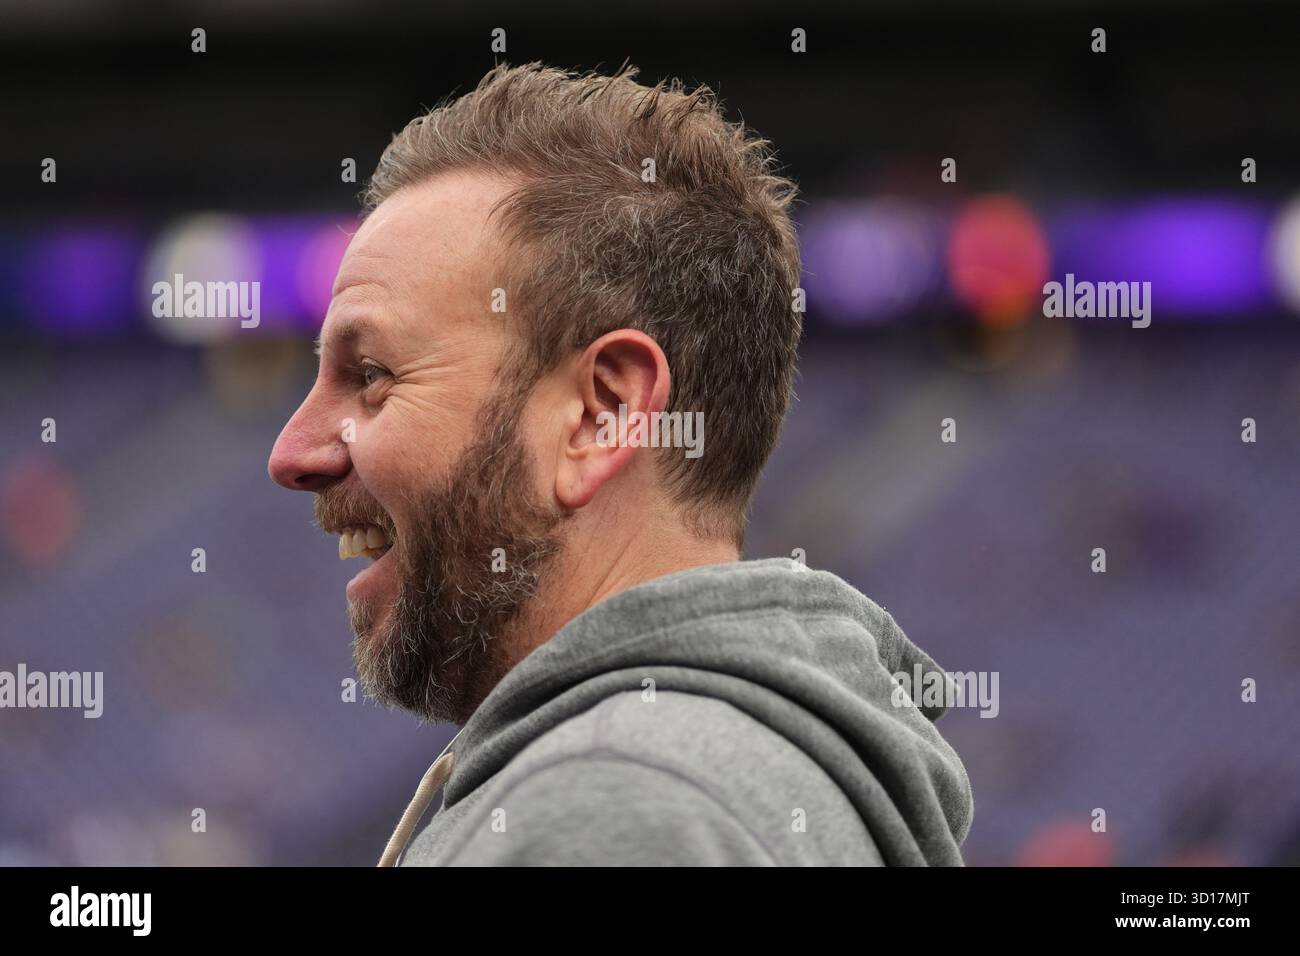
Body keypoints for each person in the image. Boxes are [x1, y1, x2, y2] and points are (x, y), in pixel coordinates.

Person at [268, 61, 972, 865]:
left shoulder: (605, 807)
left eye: (372, 376)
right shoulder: (738, 772)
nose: (293, 453)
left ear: (601, 414)